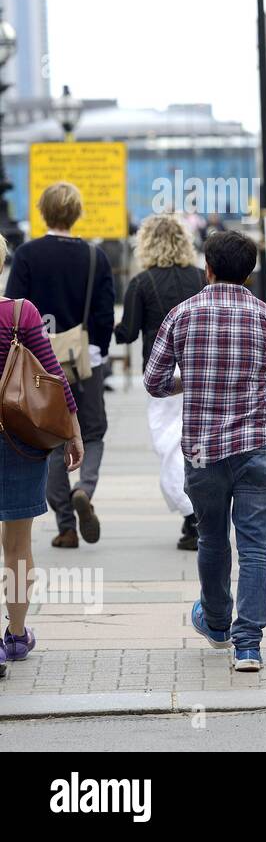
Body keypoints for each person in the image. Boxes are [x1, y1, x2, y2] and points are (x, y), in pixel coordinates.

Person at [144, 230, 266, 673]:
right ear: (249, 274)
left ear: (207, 269)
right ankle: (248, 647)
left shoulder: (181, 315)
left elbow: (154, 382)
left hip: (202, 452)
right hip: (257, 448)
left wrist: (189, 381)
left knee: (212, 538)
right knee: (255, 549)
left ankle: (216, 624)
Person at [4, 182, 115, 548]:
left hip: (38, 365)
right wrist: (98, 351)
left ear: (43, 211)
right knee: (93, 432)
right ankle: (85, 487)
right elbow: (104, 313)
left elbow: (15, 307)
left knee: (49, 436)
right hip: (85, 359)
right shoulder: (96, 256)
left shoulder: (27, 254)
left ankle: (65, 524)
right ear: (77, 213)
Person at [0, 233, 85, 678]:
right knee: (18, 545)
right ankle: (15, 636)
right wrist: (73, 431)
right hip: (17, 438)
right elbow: (53, 375)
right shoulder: (21, 313)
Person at [114, 214, 206, 550]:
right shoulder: (201, 277)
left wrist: (107, 328)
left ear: (146, 244)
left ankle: (192, 516)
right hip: (201, 371)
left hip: (163, 375)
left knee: (170, 445)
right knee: (198, 444)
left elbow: (128, 332)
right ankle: (200, 511)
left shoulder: (141, 282)